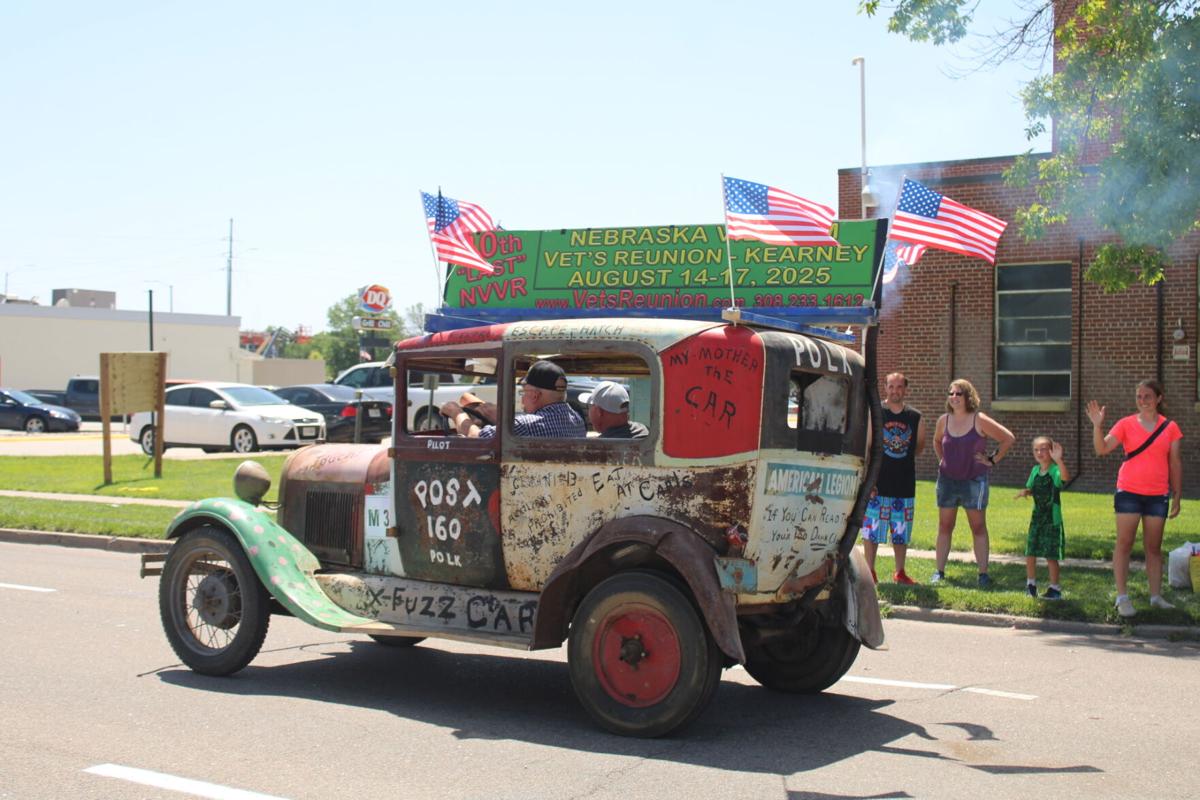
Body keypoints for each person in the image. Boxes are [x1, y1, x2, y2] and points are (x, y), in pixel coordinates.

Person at [1087, 379, 1183, 618]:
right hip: (1129, 491)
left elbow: (1175, 462)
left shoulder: (1170, 427)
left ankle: (1156, 597)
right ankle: (1122, 597)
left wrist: (1177, 494)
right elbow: (1102, 449)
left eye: (1147, 396)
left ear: (1159, 398)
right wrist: (1097, 426)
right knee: (1124, 543)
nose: (1143, 401)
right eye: (1139, 396)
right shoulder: (1126, 424)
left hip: (1157, 494)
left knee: (1153, 548)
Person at [931, 378, 1015, 587]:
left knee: (977, 527)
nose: (954, 397)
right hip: (947, 481)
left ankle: (983, 574)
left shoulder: (979, 419)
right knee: (944, 526)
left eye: (958, 394)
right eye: (951, 393)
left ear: (968, 396)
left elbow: (1008, 438)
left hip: (974, 481)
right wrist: (942, 459)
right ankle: (939, 572)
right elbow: (936, 440)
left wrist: (992, 460)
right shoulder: (944, 420)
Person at [862, 372, 927, 584]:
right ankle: (869, 570)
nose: (895, 390)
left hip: (904, 484)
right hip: (878, 484)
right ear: (886, 388)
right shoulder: (876, 413)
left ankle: (900, 572)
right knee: (871, 530)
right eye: (891, 386)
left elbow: (917, 447)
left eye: (899, 387)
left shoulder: (915, 417)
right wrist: (869, 479)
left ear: (905, 389)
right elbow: (868, 446)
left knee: (901, 531)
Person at [440, 360, 586, 439]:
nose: (522, 401)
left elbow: (475, 436)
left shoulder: (526, 425)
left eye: (524, 393)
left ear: (535, 395)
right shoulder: (576, 420)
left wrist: (456, 412)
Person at [1014, 437, 1070, 600]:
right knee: (1030, 552)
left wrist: (1059, 461)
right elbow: (1031, 487)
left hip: (1052, 518)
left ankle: (1055, 589)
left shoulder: (1055, 470)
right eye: (1036, 450)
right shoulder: (1034, 470)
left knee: (1050, 555)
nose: (1040, 453)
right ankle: (1031, 585)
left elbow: (1065, 479)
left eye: (1044, 449)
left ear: (1051, 451)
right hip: (1037, 517)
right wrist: (1026, 492)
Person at [579, 381, 648, 439]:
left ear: (598, 412)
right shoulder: (644, 431)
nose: (589, 411)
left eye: (590, 406)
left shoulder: (599, 448)